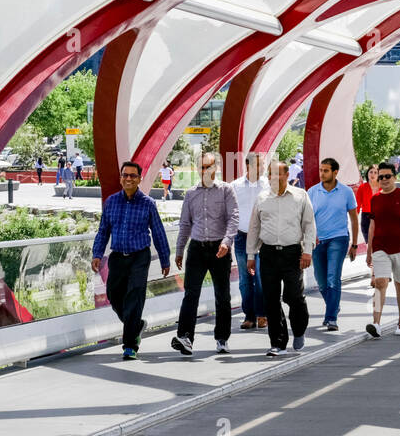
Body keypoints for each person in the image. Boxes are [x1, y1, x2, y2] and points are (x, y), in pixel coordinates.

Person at [91, 161, 171, 361]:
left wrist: (164, 259)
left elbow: (159, 232)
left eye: (132, 176)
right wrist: (97, 254)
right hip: (118, 256)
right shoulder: (111, 202)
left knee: (135, 298)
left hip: (139, 257)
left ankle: (130, 345)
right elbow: (103, 230)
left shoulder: (148, 204)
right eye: (125, 175)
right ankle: (136, 325)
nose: (128, 179)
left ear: (139, 179)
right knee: (113, 294)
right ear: (121, 178)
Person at [172, 152, 239, 356]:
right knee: (191, 294)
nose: (205, 171)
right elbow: (185, 224)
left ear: (216, 168)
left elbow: (234, 218)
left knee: (223, 296)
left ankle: (222, 339)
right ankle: (185, 337)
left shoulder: (226, 190)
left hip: (220, 249)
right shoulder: (191, 193)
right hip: (197, 249)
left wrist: (227, 242)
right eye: (201, 167)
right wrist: (179, 250)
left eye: (208, 167)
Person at [247, 160, 315, 357]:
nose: (274, 178)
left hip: (292, 253)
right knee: (270, 298)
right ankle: (278, 342)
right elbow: (254, 228)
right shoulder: (262, 198)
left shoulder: (300, 196)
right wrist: (251, 255)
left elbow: (309, 225)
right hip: (267, 254)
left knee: (294, 296)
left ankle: (299, 329)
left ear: (287, 176)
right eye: (271, 174)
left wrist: (307, 251)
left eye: (278, 174)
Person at [365, 162, 400, 338]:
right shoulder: (375, 199)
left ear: (395, 177)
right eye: (381, 177)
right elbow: (372, 227)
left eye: (387, 176)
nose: (384, 180)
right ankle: (376, 323)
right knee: (380, 283)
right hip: (380, 247)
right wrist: (369, 250)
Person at [308, 157, 359, 331]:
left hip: (338, 239)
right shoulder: (312, 192)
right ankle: (333, 305)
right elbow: (307, 219)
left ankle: (331, 318)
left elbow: (353, 219)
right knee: (321, 282)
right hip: (317, 241)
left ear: (335, 172)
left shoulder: (346, 192)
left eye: (326, 170)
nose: (322, 173)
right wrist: (308, 239)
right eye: (321, 170)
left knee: (333, 278)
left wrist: (354, 244)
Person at [231, 152, 268, 332]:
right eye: (260, 165)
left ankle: (262, 314)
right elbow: (230, 211)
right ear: (249, 166)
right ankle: (249, 316)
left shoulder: (268, 185)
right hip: (241, 236)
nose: (262, 168)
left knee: (260, 277)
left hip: (262, 238)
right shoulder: (235, 186)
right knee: (245, 279)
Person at [356, 164, 378, 259]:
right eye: (371, 172)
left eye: (375, 172)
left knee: (379, 247)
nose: (372, 174)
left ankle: (377, 270)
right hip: (366, 219)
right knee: (370, 246)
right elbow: (357, 206)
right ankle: (374, 271)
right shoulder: (362, 188)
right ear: (367, 173)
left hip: (380, 218)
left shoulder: (383, 187)